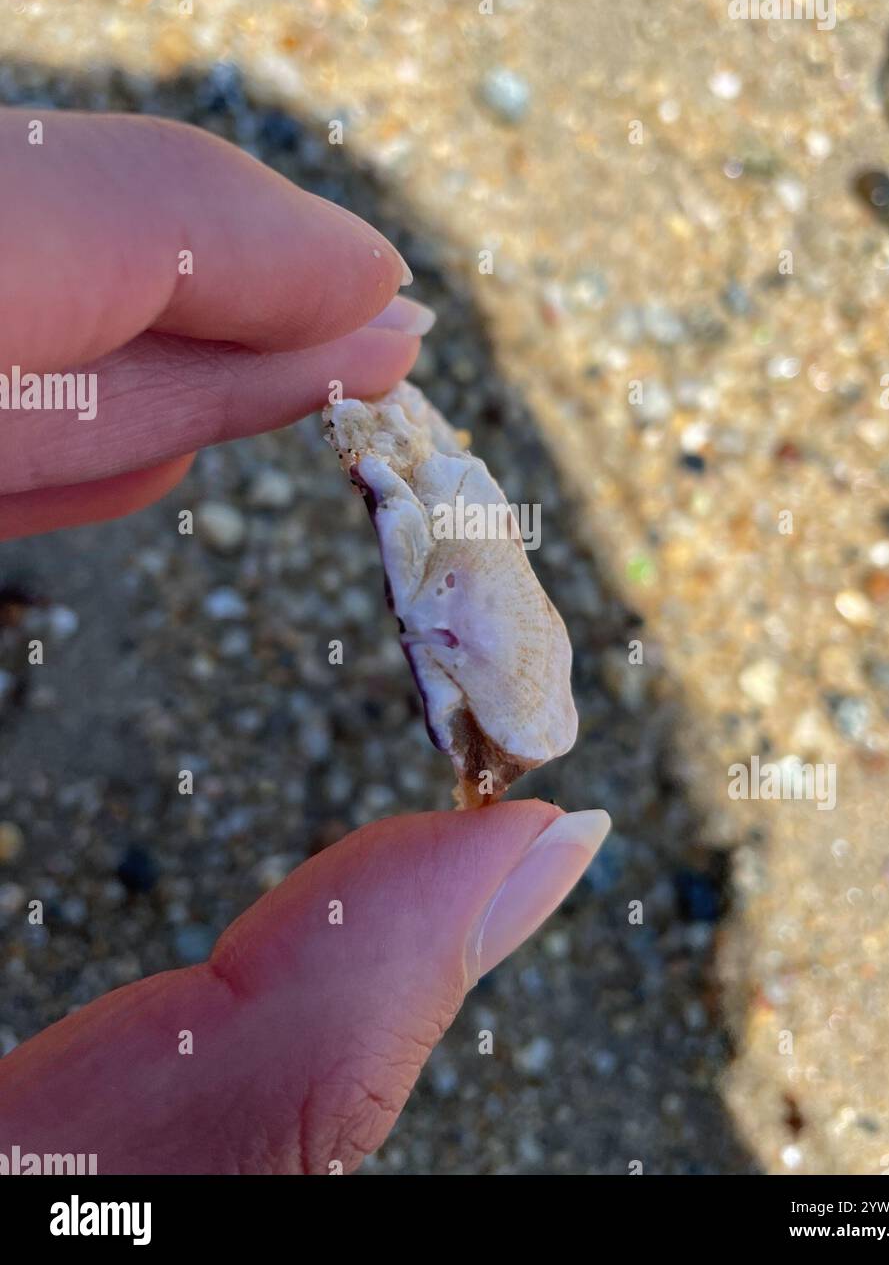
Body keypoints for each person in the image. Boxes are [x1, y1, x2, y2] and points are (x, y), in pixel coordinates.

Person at [0, 110, 610, 1173]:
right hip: (462, 601)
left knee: (498, 678)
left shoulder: (511, 696)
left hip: (494, 679)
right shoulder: (419, 474)